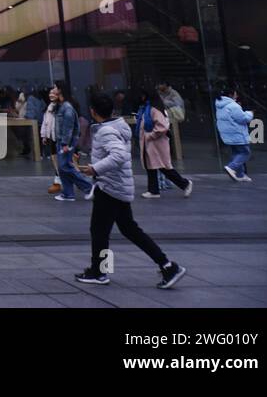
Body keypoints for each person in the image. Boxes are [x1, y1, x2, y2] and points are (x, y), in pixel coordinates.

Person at [75, 91, 186, 289]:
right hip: (118, 186)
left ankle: (99, 272)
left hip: (110, 188)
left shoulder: (106, 131)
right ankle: (167, 265)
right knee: (129, 229)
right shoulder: (117, 125)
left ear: (93, 111)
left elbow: (118, 156)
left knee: (99, 231)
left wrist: (95, 169)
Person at [137, 90, 193, 198]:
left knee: (163, 167)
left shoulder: (154, 110)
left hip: (156, 144)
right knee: (151, 166)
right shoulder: (148, 109)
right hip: (151, 144)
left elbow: (162, 127)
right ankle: (153, 190)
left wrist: (150, 135)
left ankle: (185, 183)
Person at [52, 81, 92, 201]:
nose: (53, 90)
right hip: (62, 140)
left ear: (60, 90)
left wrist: (65, 143)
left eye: (55, 88)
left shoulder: (67, 107)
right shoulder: (61, 105)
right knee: (62, 167)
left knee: (65, 167)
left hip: (66, 141)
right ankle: (68, 193)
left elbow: (68, 127)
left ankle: (89, 187)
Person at [215, 84, 255, 182]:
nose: (236, 96)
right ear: (231, 95)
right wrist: (250, 113)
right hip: (237, 134)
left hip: (228, 135)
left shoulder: (219, 105)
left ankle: (241, 175)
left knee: (236, 153)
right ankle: (231, 167)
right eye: (235, 94)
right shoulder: (233, 105)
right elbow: (243, 119)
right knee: (245, 153)